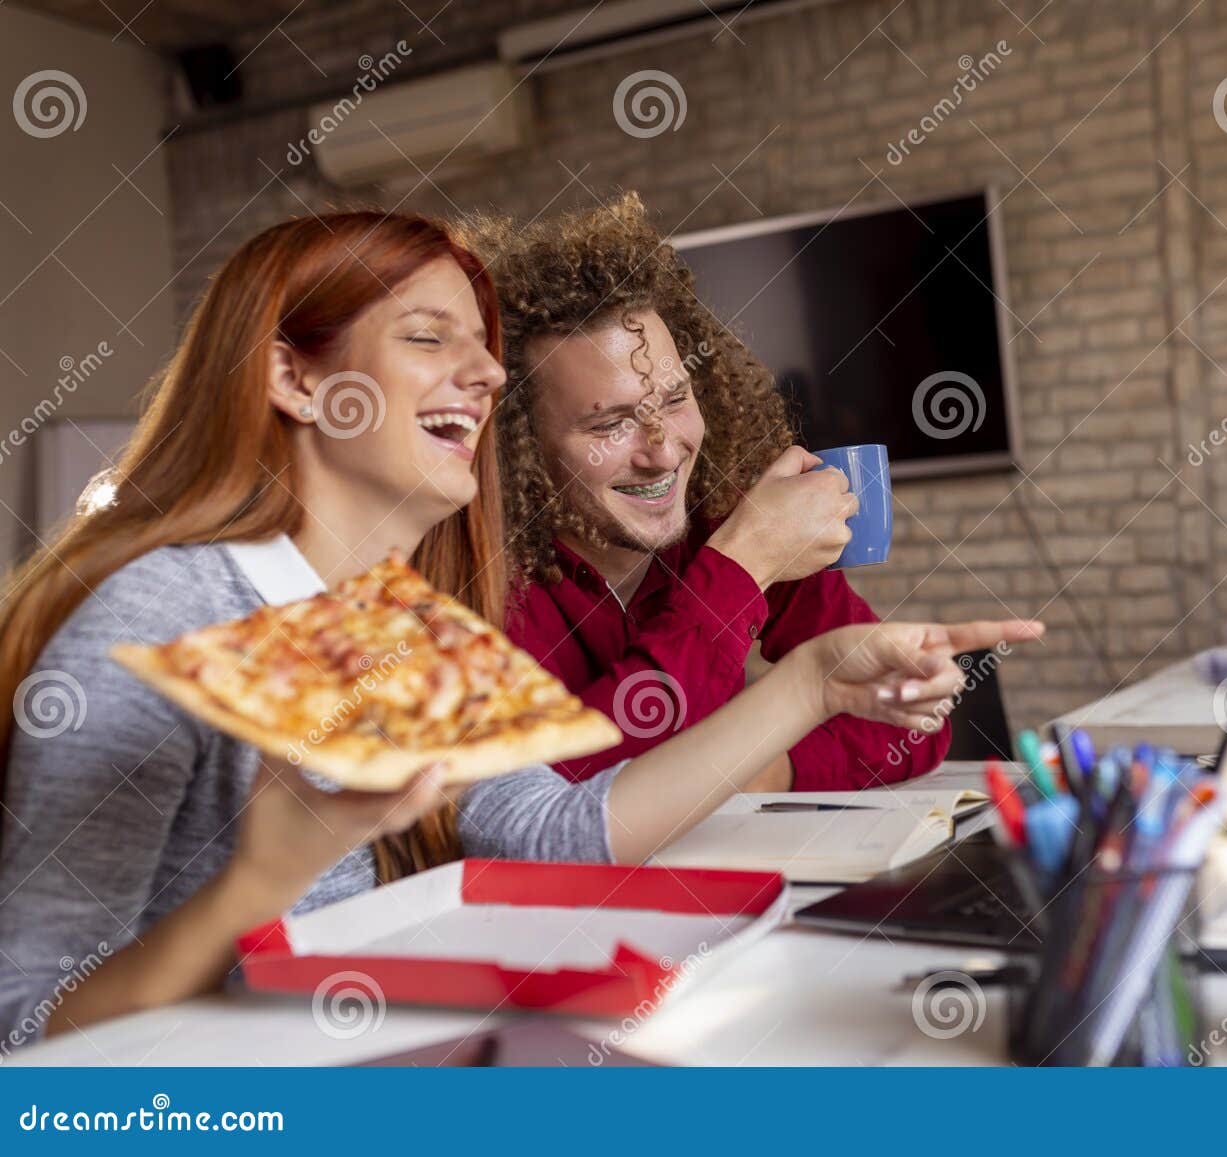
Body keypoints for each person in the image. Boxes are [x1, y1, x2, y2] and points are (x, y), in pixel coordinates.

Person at [0, 210, 1039, 1048]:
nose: (487, 373)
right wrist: (257, 881)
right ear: (295, 378)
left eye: (485, 349)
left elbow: (558, 832)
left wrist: (808, 680)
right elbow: (24, 1037)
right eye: (428, 338)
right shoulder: (160, 607)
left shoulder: (376, 618)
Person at [470, 193, 953, 792]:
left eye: (674, 401)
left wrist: (752, 774)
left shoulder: (727, 516)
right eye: (609, 424)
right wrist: (743, 566)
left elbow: (913, 721)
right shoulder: (480, 578)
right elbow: (555, 799)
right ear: (516, 444)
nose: (665, 451)